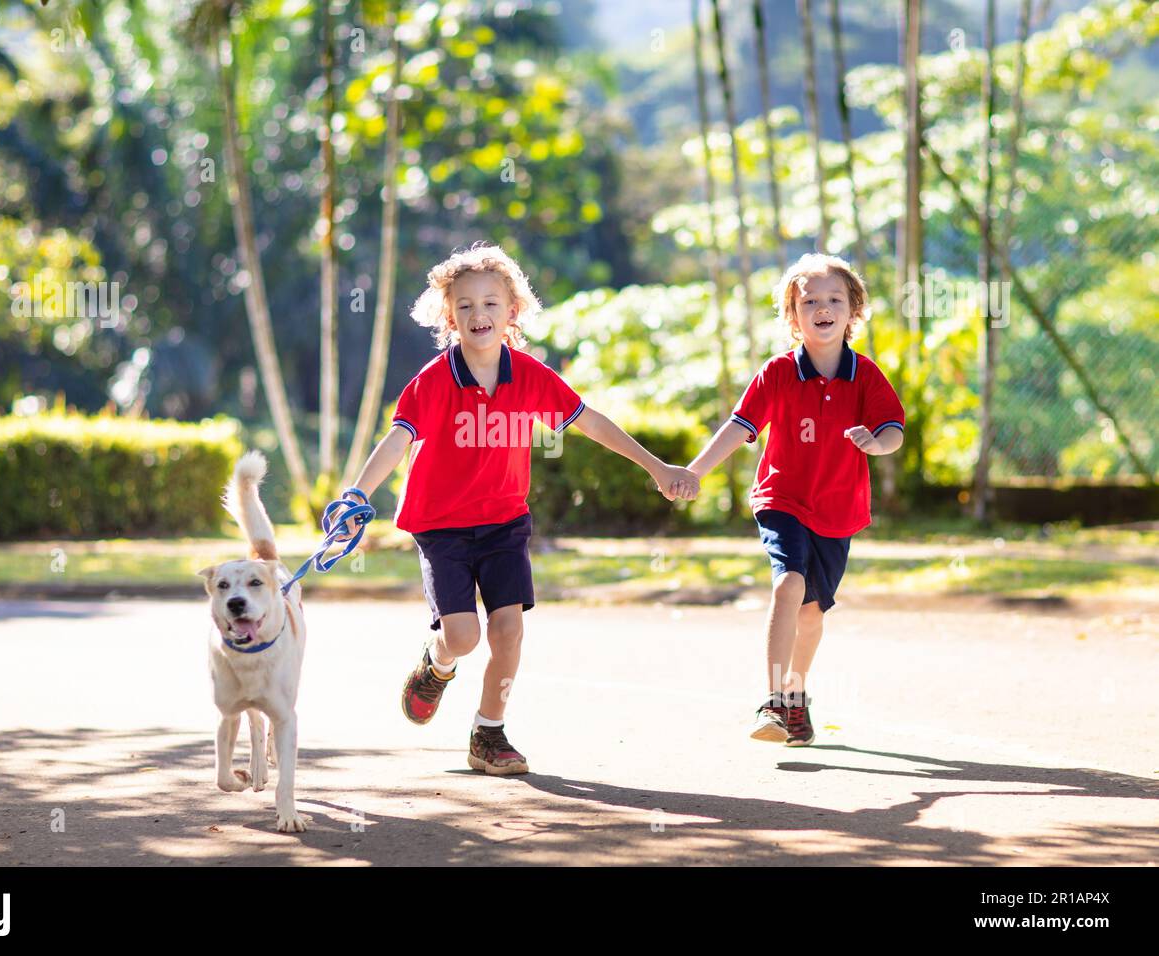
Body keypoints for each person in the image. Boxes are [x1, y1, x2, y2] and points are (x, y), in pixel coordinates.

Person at [340, 242, 699, 774]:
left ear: (512, 311)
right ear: (448, 316)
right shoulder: (433, 382)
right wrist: (357, 493)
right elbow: (397, 440)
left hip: (505, 523)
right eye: (464, 305)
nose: (477, 314)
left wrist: (656, 467)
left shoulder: (530, 375)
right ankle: (436, 663)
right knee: (463, 637)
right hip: (441, 528)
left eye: (490, 303)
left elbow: (592, 422)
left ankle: (489, 733)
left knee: (508, 631)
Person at [673, 252, 905, 747]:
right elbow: (740, 426)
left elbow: (894, 431)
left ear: (853, 311)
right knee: (788, 586)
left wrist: (876, 442)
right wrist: (695, 472)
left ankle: (797, 695)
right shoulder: (778, 373)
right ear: (793, 316)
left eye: (834, 299)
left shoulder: (865, 375)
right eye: (809, 301)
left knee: (811, 612)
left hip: (838, 510)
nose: (822, 307)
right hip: (783, 498)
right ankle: (774, 700)